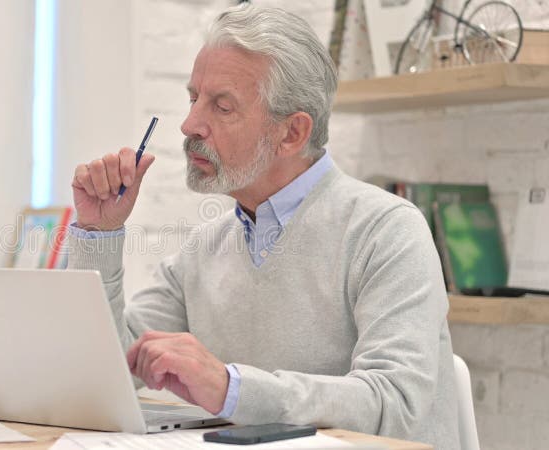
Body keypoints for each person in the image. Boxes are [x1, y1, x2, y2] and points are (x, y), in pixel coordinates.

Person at [66, 3, 459, 449]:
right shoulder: (203, 249)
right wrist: (99, 234)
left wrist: (232, 388)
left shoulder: (387, 231)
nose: (190, 124)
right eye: (194, 98)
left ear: (291, 133)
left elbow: (396, 404)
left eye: (222, 106)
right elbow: (109, 371)